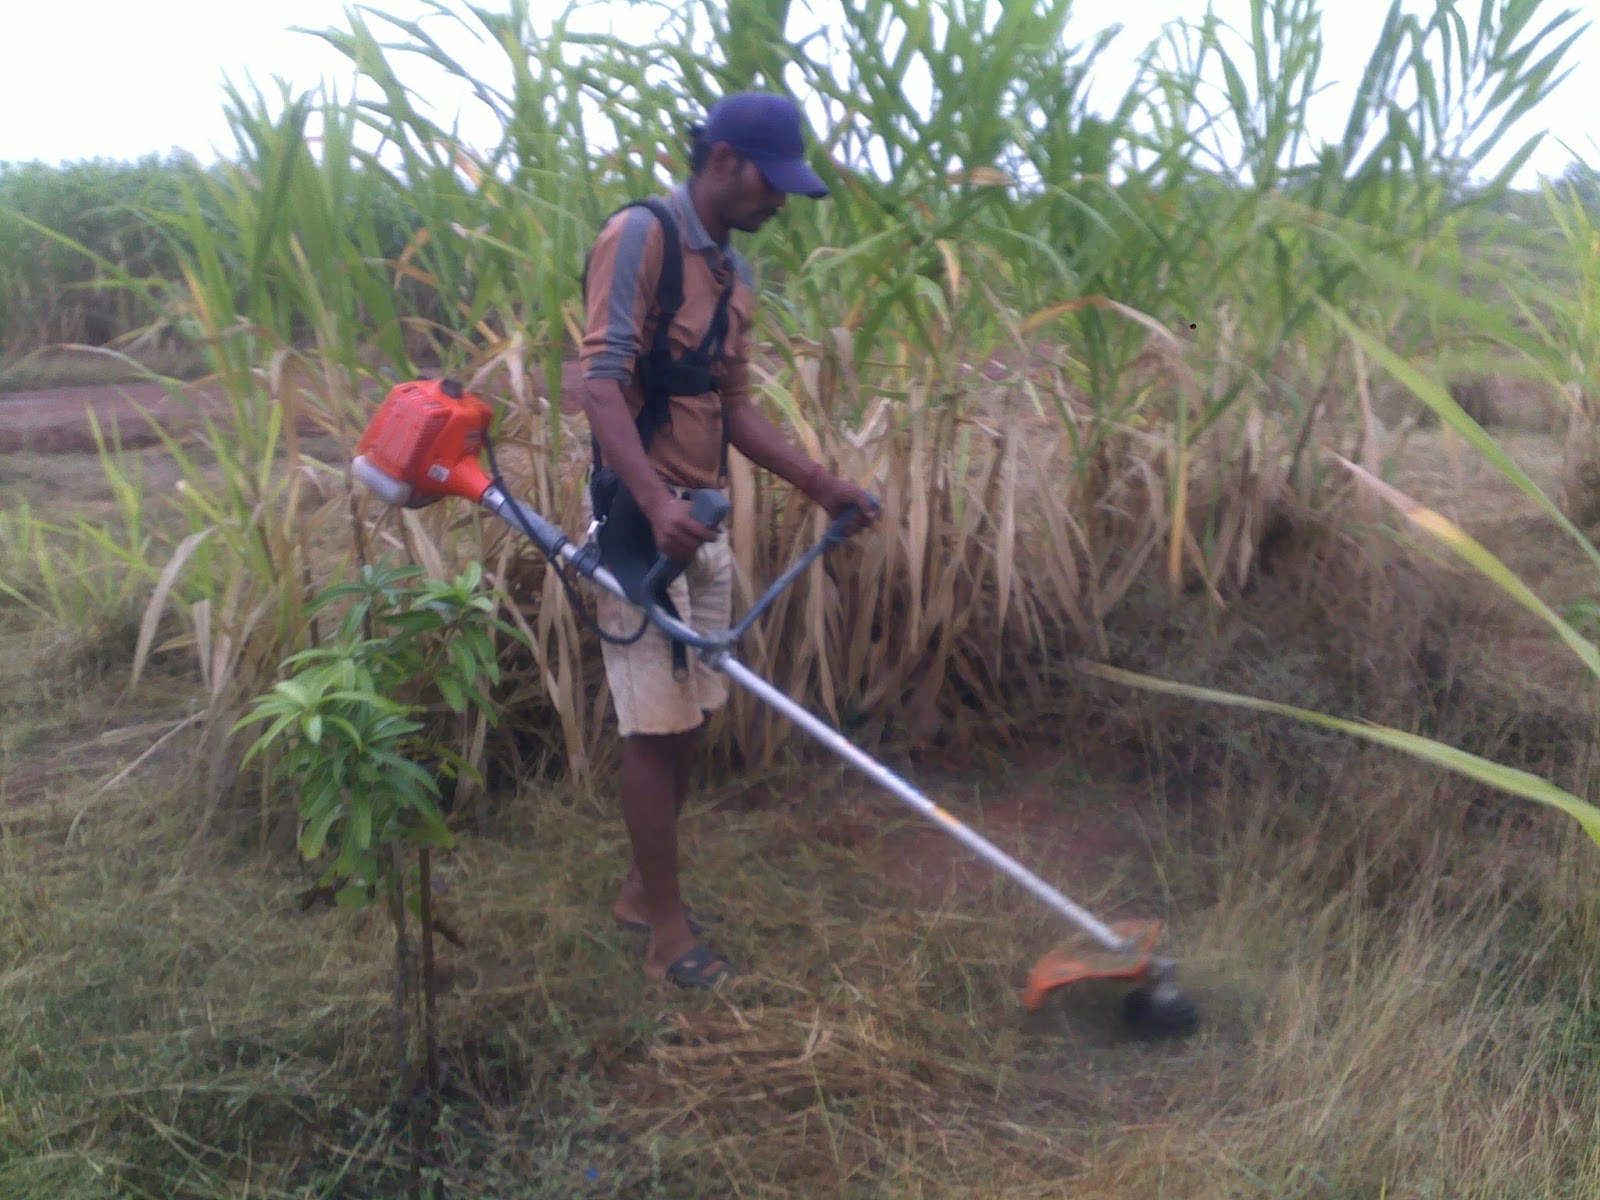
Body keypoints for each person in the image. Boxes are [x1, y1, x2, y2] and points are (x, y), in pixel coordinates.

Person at [577, 91, 879, 990]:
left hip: (701, 516)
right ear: (721, 162)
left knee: (694, 715)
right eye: (771, 181)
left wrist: (822, 486)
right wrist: (650, 500)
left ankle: (642, 891)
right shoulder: (642, 236)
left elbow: (735, 405)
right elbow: (599, 386)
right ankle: (669, 937)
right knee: (652, 724)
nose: (780, 201)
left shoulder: (734, 277)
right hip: (640, 523)